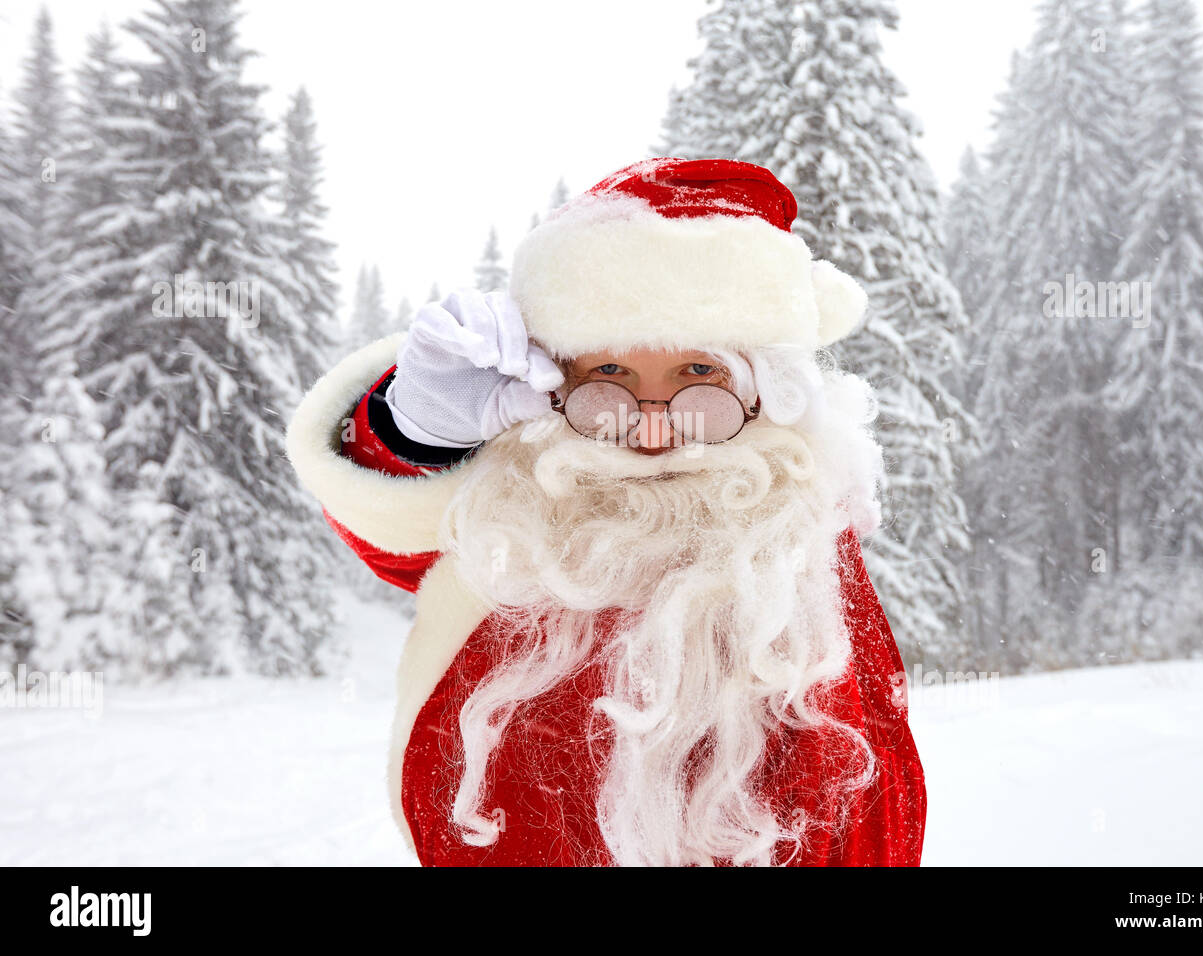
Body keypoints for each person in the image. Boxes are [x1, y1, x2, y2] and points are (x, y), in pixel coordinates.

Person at [286, 157, 927, 866]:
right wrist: (415, 429)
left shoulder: (788, 547)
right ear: (558, 386)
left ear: (763, 390)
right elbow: (397, 538)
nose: (651, 431)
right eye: (611, 377)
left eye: (697, 376)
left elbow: (868, 802)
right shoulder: (526, 501)